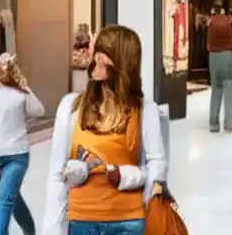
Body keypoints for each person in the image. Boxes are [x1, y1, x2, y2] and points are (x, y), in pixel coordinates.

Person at [41, 25, 166, 235]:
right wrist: (51, 230)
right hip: (81, 220)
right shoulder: (71, 107)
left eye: (104, 55)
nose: (97, 60)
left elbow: (157, 166)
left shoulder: (144, 110)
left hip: (128, 222)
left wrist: (131, 179)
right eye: (96, 54)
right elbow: (57, 174)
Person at [0, 53, 44, 235]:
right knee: (11, 198)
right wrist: (25, 88)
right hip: (12, 153)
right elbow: (38, 110)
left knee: (3, 199)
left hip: (4, 155)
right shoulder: (20, 94)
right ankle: (30, 231)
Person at [206, 0, 232, 133]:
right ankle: (229, 123)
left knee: (216, 89)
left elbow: (208, 43)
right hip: (227, 56)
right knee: (229, 89)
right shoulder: (230, 22)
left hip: (213, 57)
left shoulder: (211, 22)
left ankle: (213, 123)